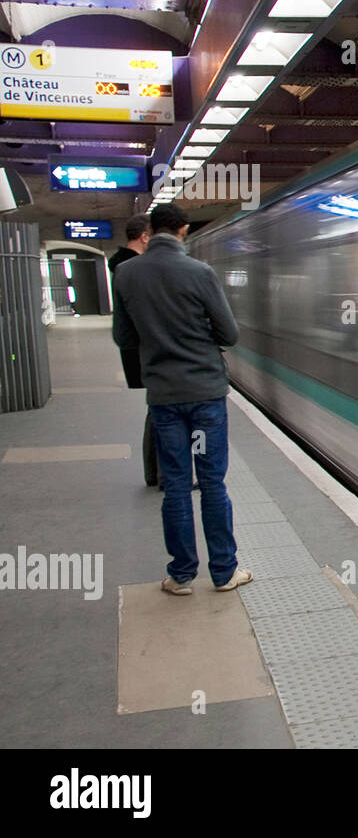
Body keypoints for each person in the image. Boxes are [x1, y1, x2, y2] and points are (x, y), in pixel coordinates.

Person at [111, 204, 252, 595]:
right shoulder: (199, 272)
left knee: (175, 485)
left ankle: (181, 575)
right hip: (205, 395)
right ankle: (224, 573)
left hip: (164, 398)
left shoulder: (125, 273)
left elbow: (123, 338)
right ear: (183, 231)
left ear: (150, 231)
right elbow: (229, 334)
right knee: (212, 483)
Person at [107, 215, 157, 487]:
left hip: (137, 349)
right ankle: (159, 473)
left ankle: (155, 473)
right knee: (159, 411)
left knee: (156, 410)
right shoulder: (131, 268)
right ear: (145, 237)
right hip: (146, 351)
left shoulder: (119, 266)